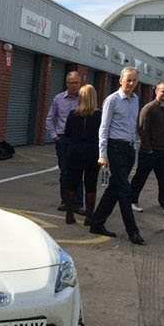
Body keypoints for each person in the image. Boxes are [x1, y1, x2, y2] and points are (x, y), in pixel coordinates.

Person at [89, 66, 144, 244]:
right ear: (120, 80)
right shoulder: (112, 100)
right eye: (128, 80)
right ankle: (132, 231)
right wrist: (103, 154)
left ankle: (97, 222)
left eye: (134, 80)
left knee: (115, 187)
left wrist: (134, 147)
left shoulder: (135, 100)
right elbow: (103, 128)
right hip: (115, 147)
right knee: (124, 190)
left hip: (129, 148)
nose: (131, 83)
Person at [129, 81, 164, 216]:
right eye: (163, 91)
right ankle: (131, 201)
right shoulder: (149, 108)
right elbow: (143, 129)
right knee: (140, 178)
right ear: (156, 91)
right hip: (149, 152)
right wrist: (149, 149)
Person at [61, 84, 101, 225]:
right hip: (92, 153)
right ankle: (89, 217)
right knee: (91, 185)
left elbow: (67, 133)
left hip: (75, 152)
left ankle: (69, 215)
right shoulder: (99, 115)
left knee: (71, 184)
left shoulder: (73, 114)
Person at [44, 70, 84, 212]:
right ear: (67, 84)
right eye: (71, 83)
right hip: (63, 140)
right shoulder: (58, 99)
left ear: (80, 83)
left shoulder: (84, 99)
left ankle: (78, 204)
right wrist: (55, 137)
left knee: (78, 172)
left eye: (76, 83)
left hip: (79, 140)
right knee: (65, 172)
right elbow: (50, 119)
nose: (74, 85)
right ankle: (66, 202)